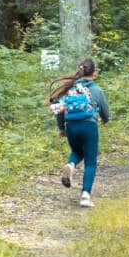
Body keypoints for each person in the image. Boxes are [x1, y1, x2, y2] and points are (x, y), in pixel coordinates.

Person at [49, 58, 110, 208]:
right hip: (89, 125)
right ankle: (85, 195)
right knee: (90, 161)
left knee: (77, 151)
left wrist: (62, 129)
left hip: (71, 126)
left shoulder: (70, 89)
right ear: (94, 72)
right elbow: (105, 111)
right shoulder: (96, 89)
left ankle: (71, 165)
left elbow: (59, 111)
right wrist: (104, 119)